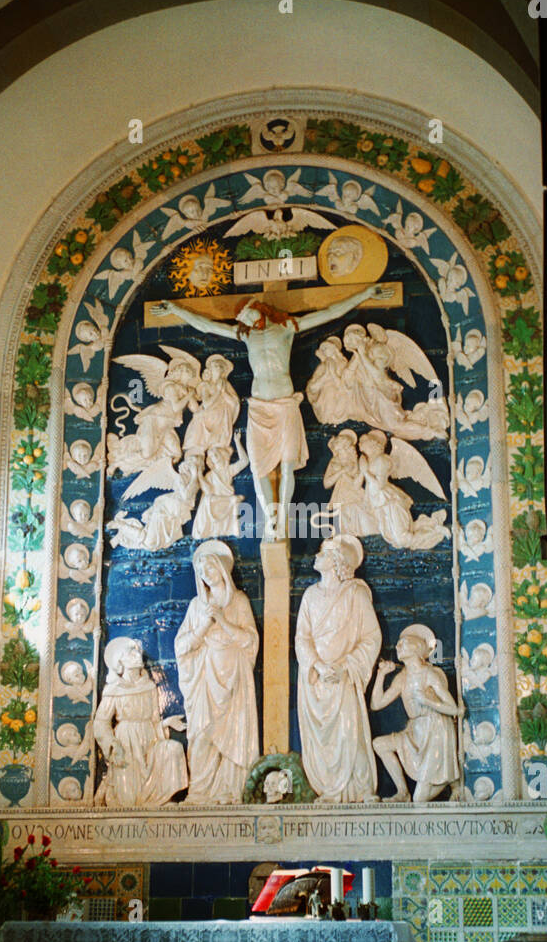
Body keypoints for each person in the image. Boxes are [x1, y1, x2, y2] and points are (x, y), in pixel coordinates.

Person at [149, 281, 394, 539]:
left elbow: (330, 312)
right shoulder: (246, 335)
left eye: (244, 312)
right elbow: (208, 326)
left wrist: (365, 293)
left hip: (285, 403)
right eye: (240, 316)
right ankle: (270, 518)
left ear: (258, 308)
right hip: (259, 407)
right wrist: (176, 310)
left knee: (288, 466)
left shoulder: (286, 328)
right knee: (258, 467)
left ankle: (283, 515)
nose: (241, 318)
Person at [295, 534, 381, 803]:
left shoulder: (355, 593)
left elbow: (371, 636)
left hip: (343, 677)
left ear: (335, 561)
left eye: (322, 552)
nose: (316, 556)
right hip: (316, 679)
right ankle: (330, 790)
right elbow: (302, 637)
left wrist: (346, 666)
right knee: (322, 739)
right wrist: (318, 666)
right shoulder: (310, 595)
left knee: (349, 731)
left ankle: (360, 787)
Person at [174, 541, 259, 803]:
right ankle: (200, 791)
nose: (205, 572)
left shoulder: (239, 601)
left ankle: (231, 790)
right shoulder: (196, 606)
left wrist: (222, 619)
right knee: (201, 733)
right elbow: (181, 646)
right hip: (204, 677)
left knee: (234, 734)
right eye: (200, 569)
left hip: (234, 675)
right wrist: (203, 626)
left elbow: (250, 640)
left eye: (210, 566)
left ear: (222, 568)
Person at [371, 624, 463, 804]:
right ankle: (402, 792)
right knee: (379, 744)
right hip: (415, 731)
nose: (397, 647)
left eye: (402, 644)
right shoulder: (402, 677)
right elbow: (376, 704)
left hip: (434, 731)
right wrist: (381, 675)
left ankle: (450, 780)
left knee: (420, 799)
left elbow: (455, 709)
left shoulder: (429, 674)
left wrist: (428, 701)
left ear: (415, 648)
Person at [93, 637, 187, 807]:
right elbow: (101, 722)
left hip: (150, 740)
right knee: (128, 801)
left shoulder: (149, 686)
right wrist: (112, 745)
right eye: (131, 652)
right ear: (120, 661)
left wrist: (166, 723)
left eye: (137, 651)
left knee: (173, 748)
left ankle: (161, 799)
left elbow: (152, 720)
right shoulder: (114, 689)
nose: (137, 655)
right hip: (126, 743)